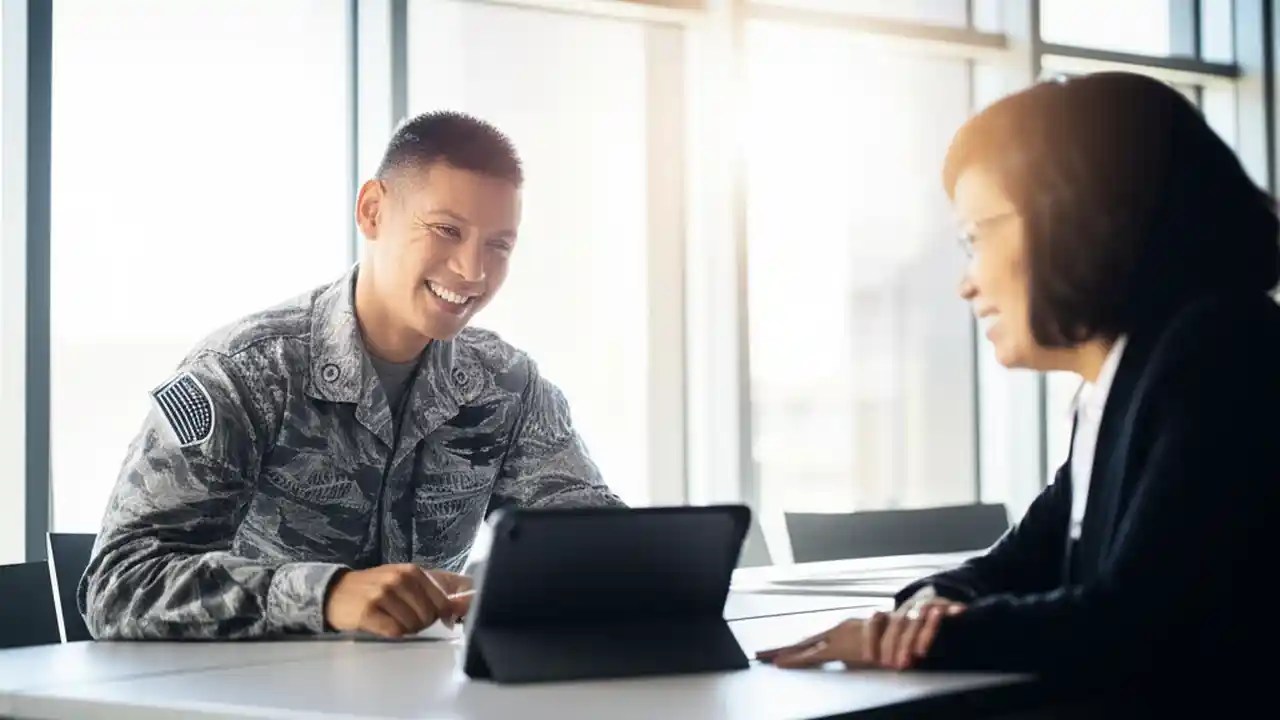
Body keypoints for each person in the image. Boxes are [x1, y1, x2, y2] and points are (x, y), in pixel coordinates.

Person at [758, 72, 1280, 688]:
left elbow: (1137, 622)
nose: (966, 283)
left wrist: (909, 641)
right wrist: (930, 601)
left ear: (1078, 216)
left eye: (975, 237)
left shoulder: (1219, 349)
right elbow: (1014, 566)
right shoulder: (1120, 389)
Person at [79, 111, 624, 640]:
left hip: (424, 702)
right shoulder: (245, 373)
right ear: (371, 211)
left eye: (497, 245)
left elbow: (603, 549)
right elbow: (116, 585)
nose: (473, 271)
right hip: (250, 701)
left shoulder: (509, 386)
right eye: (446, 230)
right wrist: (327, 594)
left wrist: (521, 590)